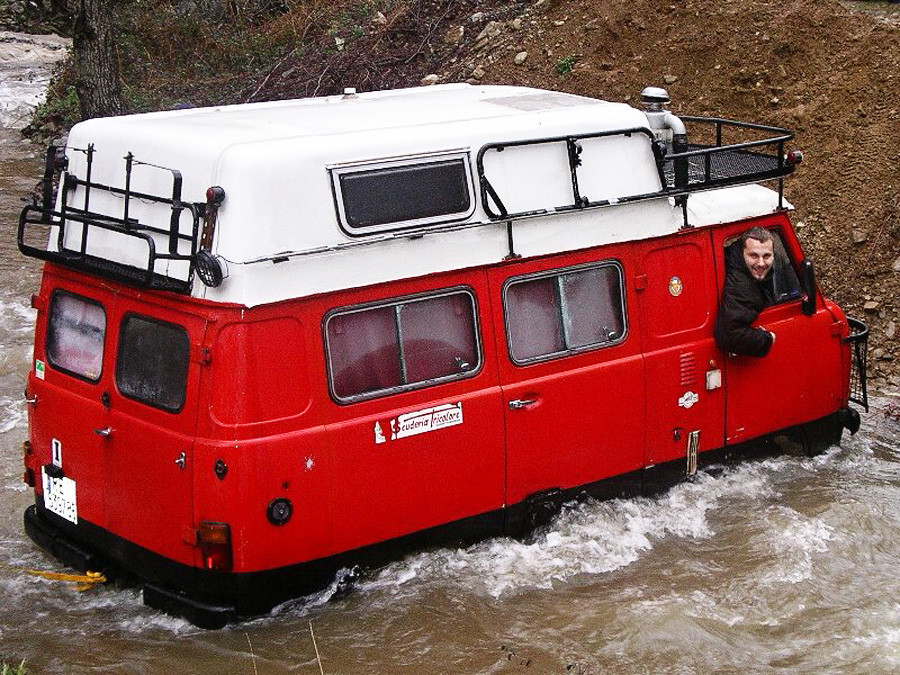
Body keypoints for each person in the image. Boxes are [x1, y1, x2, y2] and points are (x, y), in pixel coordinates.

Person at [714, 226, 777, 357]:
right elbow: (730, 334)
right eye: (753, 255)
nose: (761, 263)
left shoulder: (732, 260)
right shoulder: (741, 287)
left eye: (766, 256)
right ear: (742, 252)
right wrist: (767, 339)